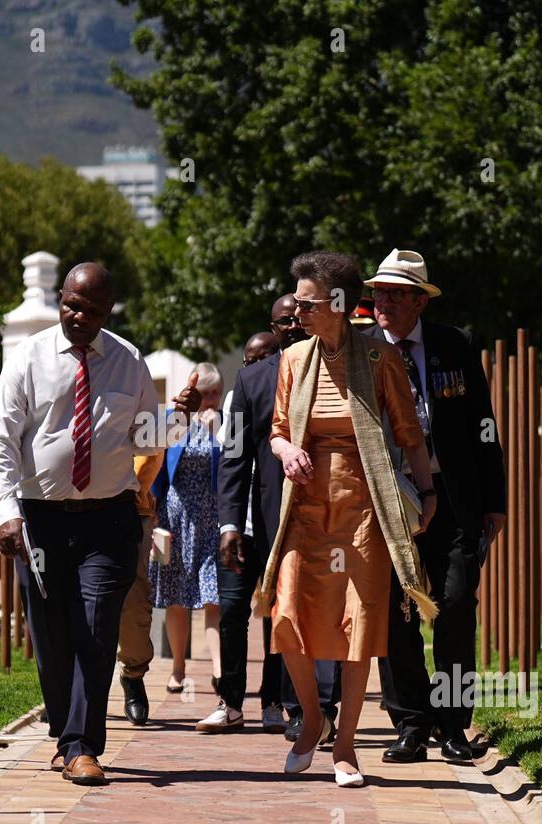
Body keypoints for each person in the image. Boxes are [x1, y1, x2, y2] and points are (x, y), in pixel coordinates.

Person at [0, 262, 200, 786]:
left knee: (97, 626)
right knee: (52, 633)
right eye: (71, 304)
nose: (78, 316)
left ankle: (82, 745)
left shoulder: (127, 362)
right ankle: (66, 732)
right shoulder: (27, 359)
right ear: (61, 298)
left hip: (109, 518)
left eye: (91, 310)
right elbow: (0, 440)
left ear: (107, 312)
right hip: (39, 519)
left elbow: (147, 438)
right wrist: (7, 514)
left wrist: (178, 416)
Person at [261, 251, 438, 788]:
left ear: (338, 303)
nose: (298, 312)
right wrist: (286, 449)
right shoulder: (293, 359)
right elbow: (275, 429)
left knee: (360, 622)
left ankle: (346, 747)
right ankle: (313, 719)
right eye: (297, 302)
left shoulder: (380, 356)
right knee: (285, 613)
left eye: (308, 303)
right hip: (307, 502)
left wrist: (427, 494)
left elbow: (408, 431)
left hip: (366, 504)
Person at [361, 248, 506, 763]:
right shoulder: (360, 350)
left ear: (421, 302)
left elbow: (482, 426)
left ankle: (453, 726)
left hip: (453, 496)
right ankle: (411, 725)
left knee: (456, 605)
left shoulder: (454, 344)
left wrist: (495, 502)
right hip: (386, 498)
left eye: (397, 294)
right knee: (398, 614)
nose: (384, 302)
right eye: (379, 291)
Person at [196, 322, 287, 733]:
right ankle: (230, 702)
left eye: (261, 359)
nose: (253, 366)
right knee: (232, 612)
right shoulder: (237, 398)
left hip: (280, 526)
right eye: (248, 361)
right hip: (243, 529)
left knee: (279, 617)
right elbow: (232, 465)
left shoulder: (296, 385)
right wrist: (228, 523)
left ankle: (274, 701)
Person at [149, 363, 224, 693]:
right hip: (176, 519)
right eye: (203, 393)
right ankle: (178, 669)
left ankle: (220, 671)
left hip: (211, 520)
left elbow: (231, 470)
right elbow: (156, 463)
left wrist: (215, 434)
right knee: (177, 598)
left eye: (214, 393)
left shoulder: (226, 425)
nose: (209, 400)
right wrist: (151, 510)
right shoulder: (175, 421)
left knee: (214, 596)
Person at [115, 447, 165, 725]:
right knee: (72, 600)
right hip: (71, 506)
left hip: (131, 506)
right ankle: (67, 690)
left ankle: (133, 676)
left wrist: (133, 487)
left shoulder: (135, 401)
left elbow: (152, 446)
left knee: (133, 601)